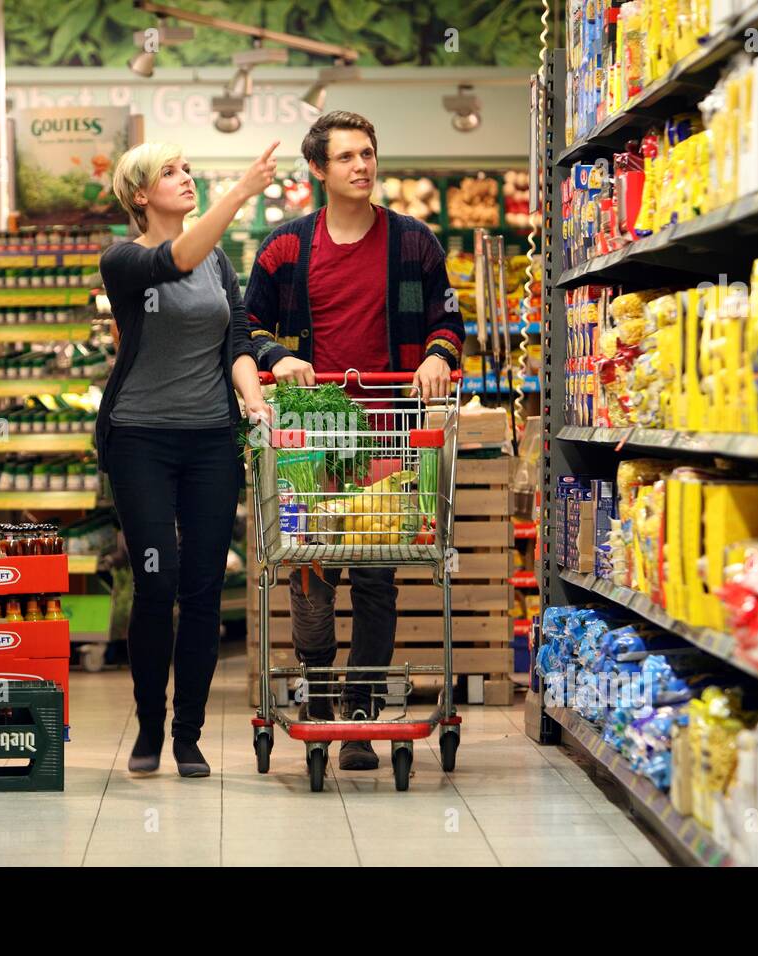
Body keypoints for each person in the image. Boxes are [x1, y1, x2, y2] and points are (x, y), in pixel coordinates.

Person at [244, 111, 463, 770]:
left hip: (390, 431)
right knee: (312, 574)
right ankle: (316, 696)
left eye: (368, 153)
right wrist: (277, 355)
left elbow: (447, 317)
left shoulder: (414, 243)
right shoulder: (285, 248)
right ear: (318, 169)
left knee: (375, 577)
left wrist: (435, 355)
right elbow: (244, 326)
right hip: (309, 436)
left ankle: (363, 711)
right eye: (345, 157)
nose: (362, 166)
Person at [98, 140, 278, 777]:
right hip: (140, 439)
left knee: (203, 589)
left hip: (209, 442)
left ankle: (188, 734)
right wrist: (241, 191)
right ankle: (149, 724)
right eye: (170, 173)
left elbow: (235, 338)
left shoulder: (219, 261)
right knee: (156, 582)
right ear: (139, 195)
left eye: (188, 169)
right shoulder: (123, 260)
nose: (186, 178)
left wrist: (254, 400)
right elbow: (174, 260)